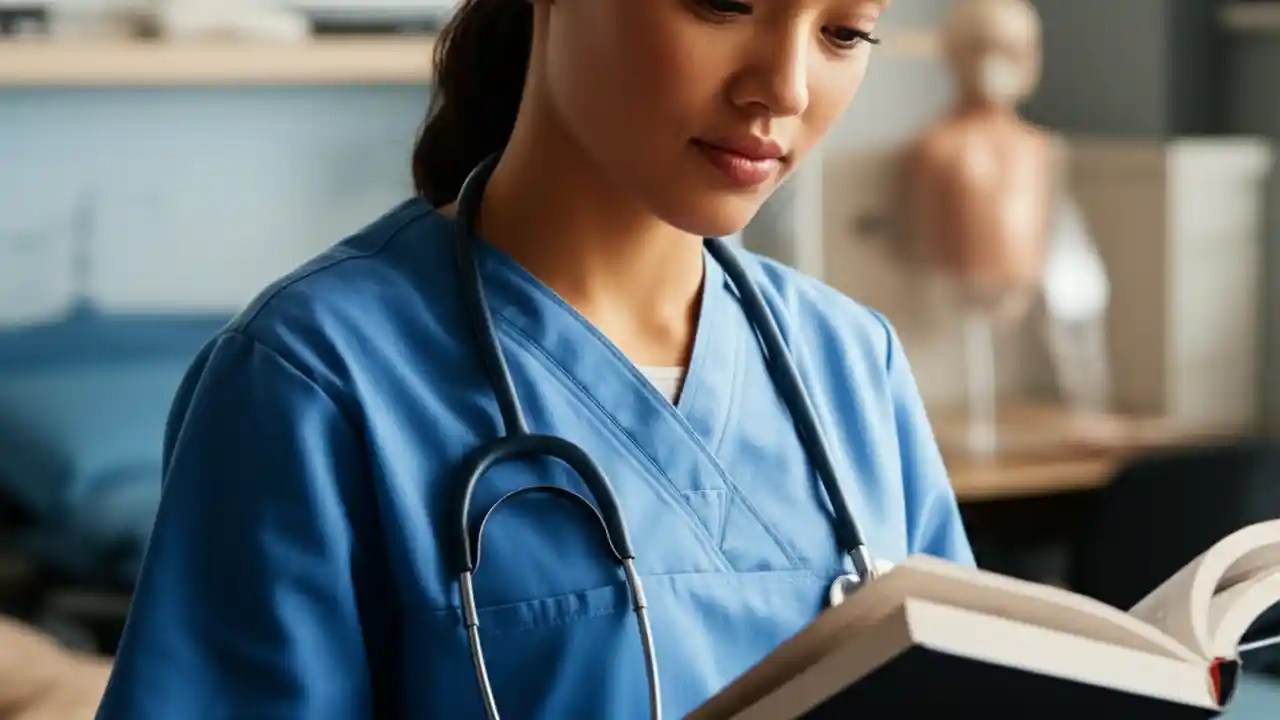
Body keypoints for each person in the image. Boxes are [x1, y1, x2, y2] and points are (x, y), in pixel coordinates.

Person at [96, 0, 973, 717]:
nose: (782, 88)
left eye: (843, 33)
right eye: (721, 5)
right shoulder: (314, 377)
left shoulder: (851, 362)